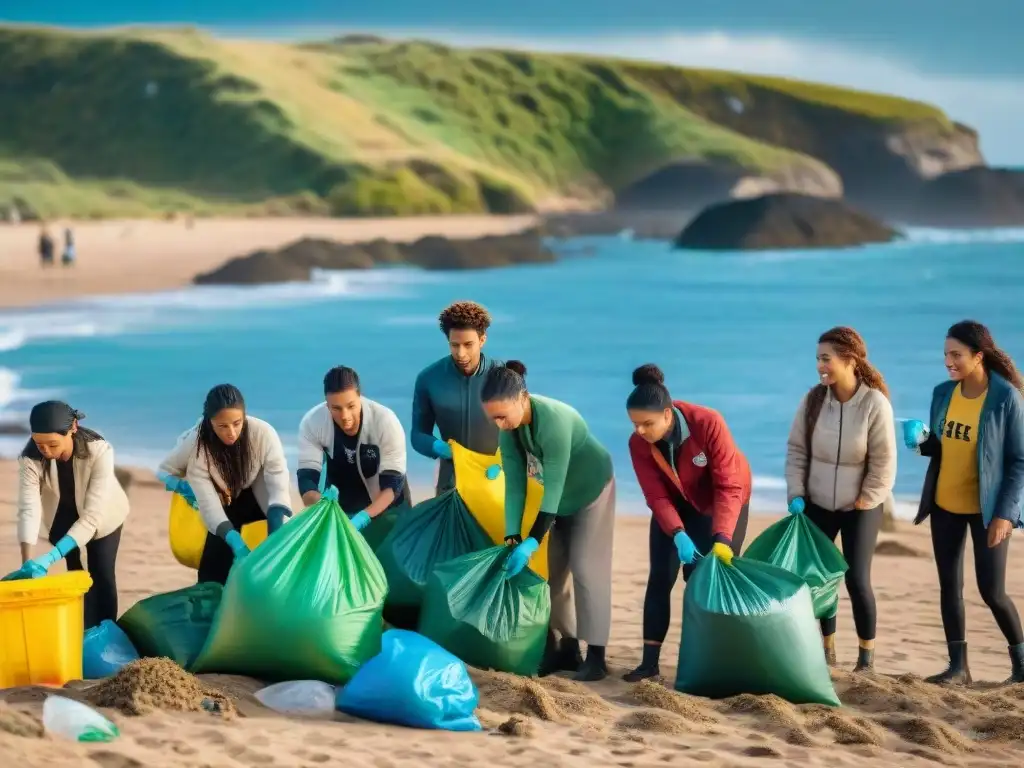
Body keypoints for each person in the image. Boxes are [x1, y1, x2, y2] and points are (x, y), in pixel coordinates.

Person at [903, 320, 1024, 685]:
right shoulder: (943, 393)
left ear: (978, 356)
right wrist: (921, 442)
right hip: (944, 505)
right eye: (945, 354)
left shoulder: (1005, 398)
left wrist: (1006, 515)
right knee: (949, 587)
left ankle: (1022, 666)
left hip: (987, 511)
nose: (948, 362)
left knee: (992, 591)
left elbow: (1019, 461)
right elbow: (942, 446)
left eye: (956, 355)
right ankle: (959, 668)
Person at [481, 360, 615, 682]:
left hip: (591, 492)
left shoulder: (554, 421)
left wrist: (531, 541)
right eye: (493, 418)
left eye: (503, 415)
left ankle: (597, 657)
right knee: (551, 576)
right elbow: (515, 487)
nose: (500, 424)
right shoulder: (509, 431)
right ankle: (568, 648)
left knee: (586, 569)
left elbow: (552, 489)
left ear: (523, 398)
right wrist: (512, 537)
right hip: (558, 502)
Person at [624, 364, 752, 682]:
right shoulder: (638, 444)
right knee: (660, 577)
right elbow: (656, 496)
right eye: (635, 424)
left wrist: (722, 539)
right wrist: (678, 532)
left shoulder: (707, 422)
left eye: (647, 424)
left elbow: (728, 486)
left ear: (668, 415)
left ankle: (705, 662)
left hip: (721, 500)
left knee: (705, 580)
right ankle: (649, 664)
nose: (640, 431)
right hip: (674, 504)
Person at [785, 327, 896, 672]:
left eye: (826, 359)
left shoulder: (874, 404)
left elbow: (884, 462)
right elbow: (797, 450)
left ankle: (866, 659)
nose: (820, 366)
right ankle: (826, 649)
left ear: (850, 360)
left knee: (857, 579)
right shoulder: (813, 401)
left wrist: (865, 500)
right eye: (818, 359)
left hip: (861, 507)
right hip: (816, 503)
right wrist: (796, 493)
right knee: (819, 578)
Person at [6, 401, 129, 630]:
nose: (45, 451)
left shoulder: (99, 451)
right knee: (75, 574)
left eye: (52, 444)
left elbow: (92, 517)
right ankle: (84, 627)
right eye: (39, 444)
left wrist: (50, 557)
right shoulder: (30, 458)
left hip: (102, 514)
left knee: (101, 573)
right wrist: (27, 562)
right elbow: (29, 508)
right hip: (62, 513)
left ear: (73, 427)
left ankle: (107, 631)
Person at [158, 384, 294, 585]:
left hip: (256, 491)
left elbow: (277, 480)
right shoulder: (196, 447)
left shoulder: (263, 433)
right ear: (210, 422)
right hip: (223, 499)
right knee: (212, 573)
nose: (231, 432)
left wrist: (276, 532)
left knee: (283, 535)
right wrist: (235, 541)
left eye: (237, 423)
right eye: (223, 426)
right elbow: (210, 506)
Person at [296, 366, 411, 528]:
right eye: (336, 408)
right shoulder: (313, 422)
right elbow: (307, 478)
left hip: (390, 511)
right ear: (327, 405)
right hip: (341, 514)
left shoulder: (386, 421)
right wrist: (320, 502)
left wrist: (363, 517)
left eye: (351, 406)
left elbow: (393, 484)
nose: (345, 416)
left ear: (360, 397)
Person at [411, 301, 504, 495]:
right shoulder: (429, 379)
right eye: (454, 345)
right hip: (451, 483)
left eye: (468, 345)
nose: (461, 353)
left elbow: (524, 433)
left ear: (482, 340)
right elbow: (418, 435)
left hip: (498, 479)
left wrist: (504, 463)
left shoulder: (504, 377)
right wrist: (438, 447)